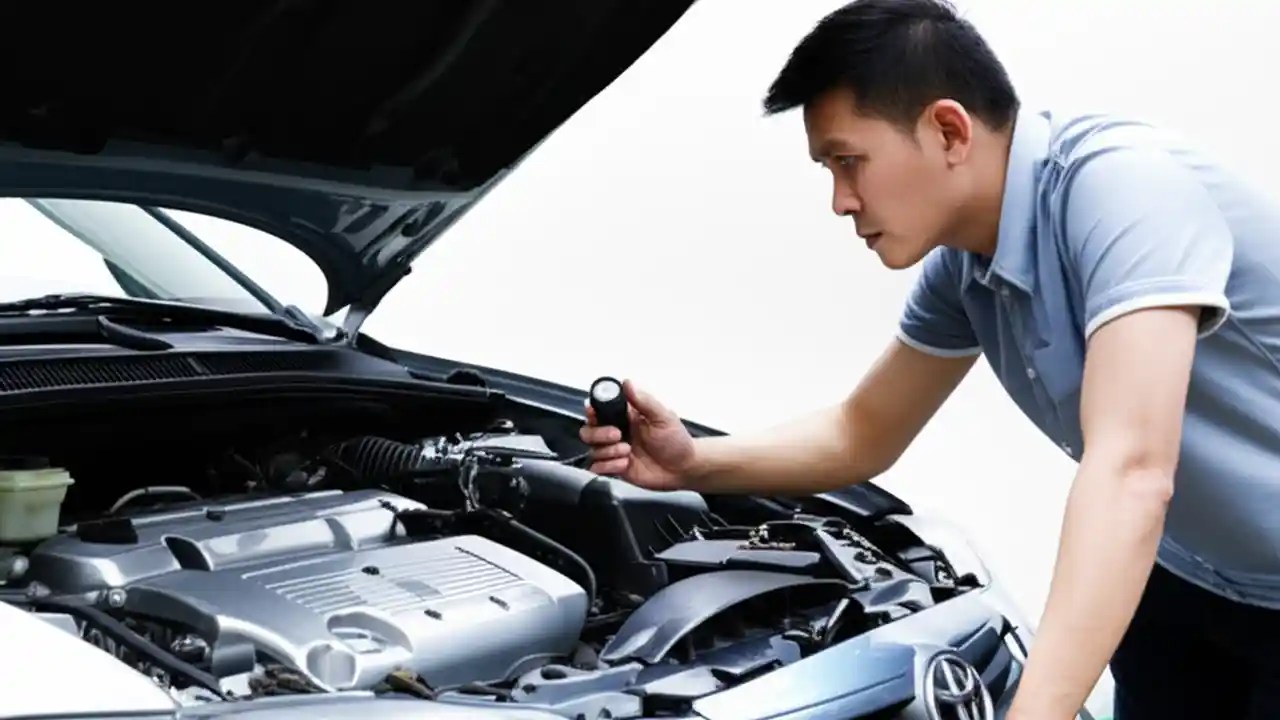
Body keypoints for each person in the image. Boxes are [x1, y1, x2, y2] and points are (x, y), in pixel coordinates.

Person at [578, 1, 1280, 718]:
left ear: (948, 129)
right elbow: (863, 432)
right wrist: (693, 463)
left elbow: (1132, 472)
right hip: (1188, 577)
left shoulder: (1123, 191)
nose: (840, 202)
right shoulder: (966, 268)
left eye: (849, 162)